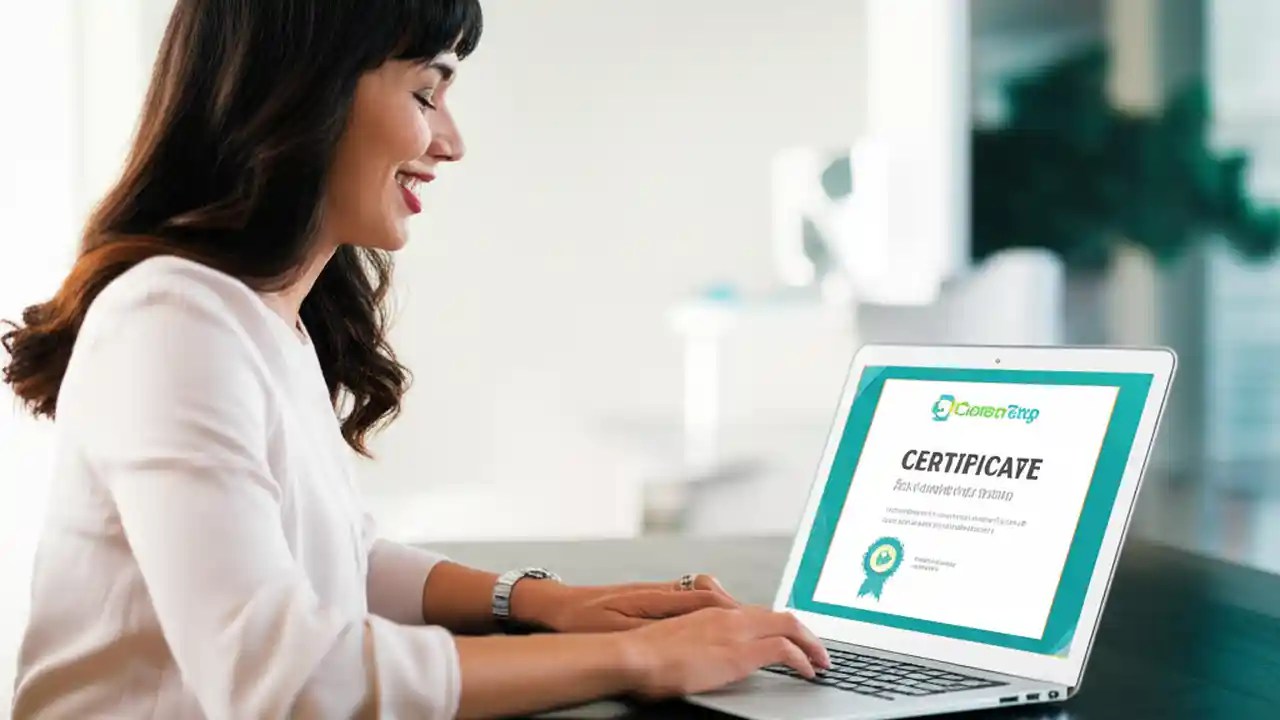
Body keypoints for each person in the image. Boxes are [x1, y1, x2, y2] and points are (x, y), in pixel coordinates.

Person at [1, 1, 829, 717]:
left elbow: (343, 562)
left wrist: (549, 605)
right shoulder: (172, 321)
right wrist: (644, 659)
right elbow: (285, 685)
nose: (451, 140)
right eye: (426, 92)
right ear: (305, 90)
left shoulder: (261, 323)